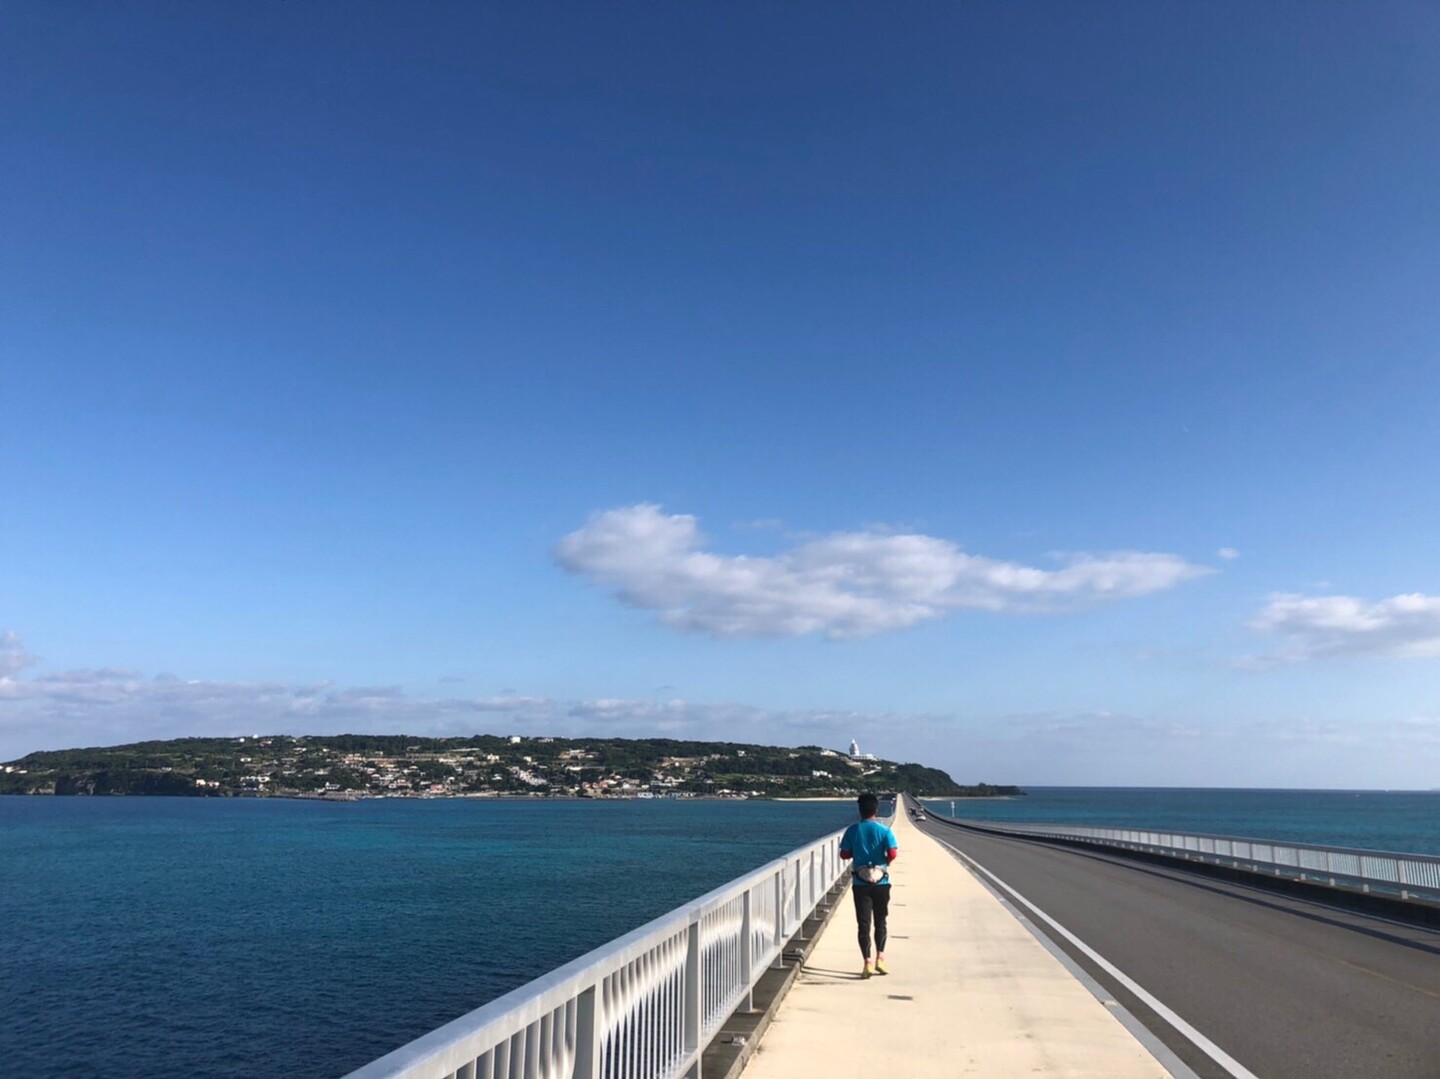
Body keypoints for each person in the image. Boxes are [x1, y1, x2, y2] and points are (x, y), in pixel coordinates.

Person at [838, 791, 898, 979]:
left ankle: (867, 963)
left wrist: (858, 853)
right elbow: (893, 853)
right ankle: (881, 957)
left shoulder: (853, 830)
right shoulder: (885, 831)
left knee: (863, 923)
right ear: (876, 810)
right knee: (881, 920)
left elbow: (844, 854)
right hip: (882, 882)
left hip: (860, 882)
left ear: (860, 810)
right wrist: (885, 861)